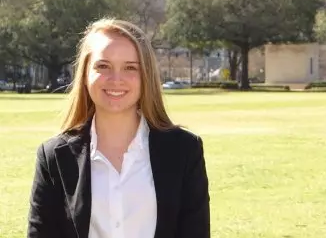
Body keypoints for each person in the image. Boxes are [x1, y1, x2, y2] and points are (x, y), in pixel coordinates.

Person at [27, 18, 210, 238]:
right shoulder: (54, 157)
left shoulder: (184, 150)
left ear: (146, 76)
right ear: (85, 74)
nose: (116, 79)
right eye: (103, 66)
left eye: (130, 67)